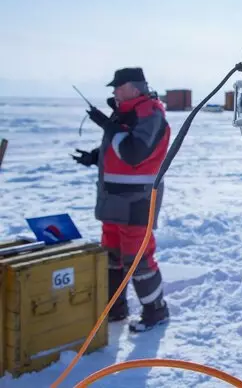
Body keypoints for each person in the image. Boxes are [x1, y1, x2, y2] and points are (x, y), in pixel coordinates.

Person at [72, 67, 171, 333]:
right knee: (111, 256)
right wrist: (95, 157)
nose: (114, 91)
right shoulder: (127, 114)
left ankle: (156, 310)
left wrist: (107, 124)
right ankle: (115, 309)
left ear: (135, 87)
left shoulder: (150, 114)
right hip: (113, 199)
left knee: (137, 258)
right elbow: (118, 145)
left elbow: (134, 152)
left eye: (118, 87)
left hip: (137, 201)